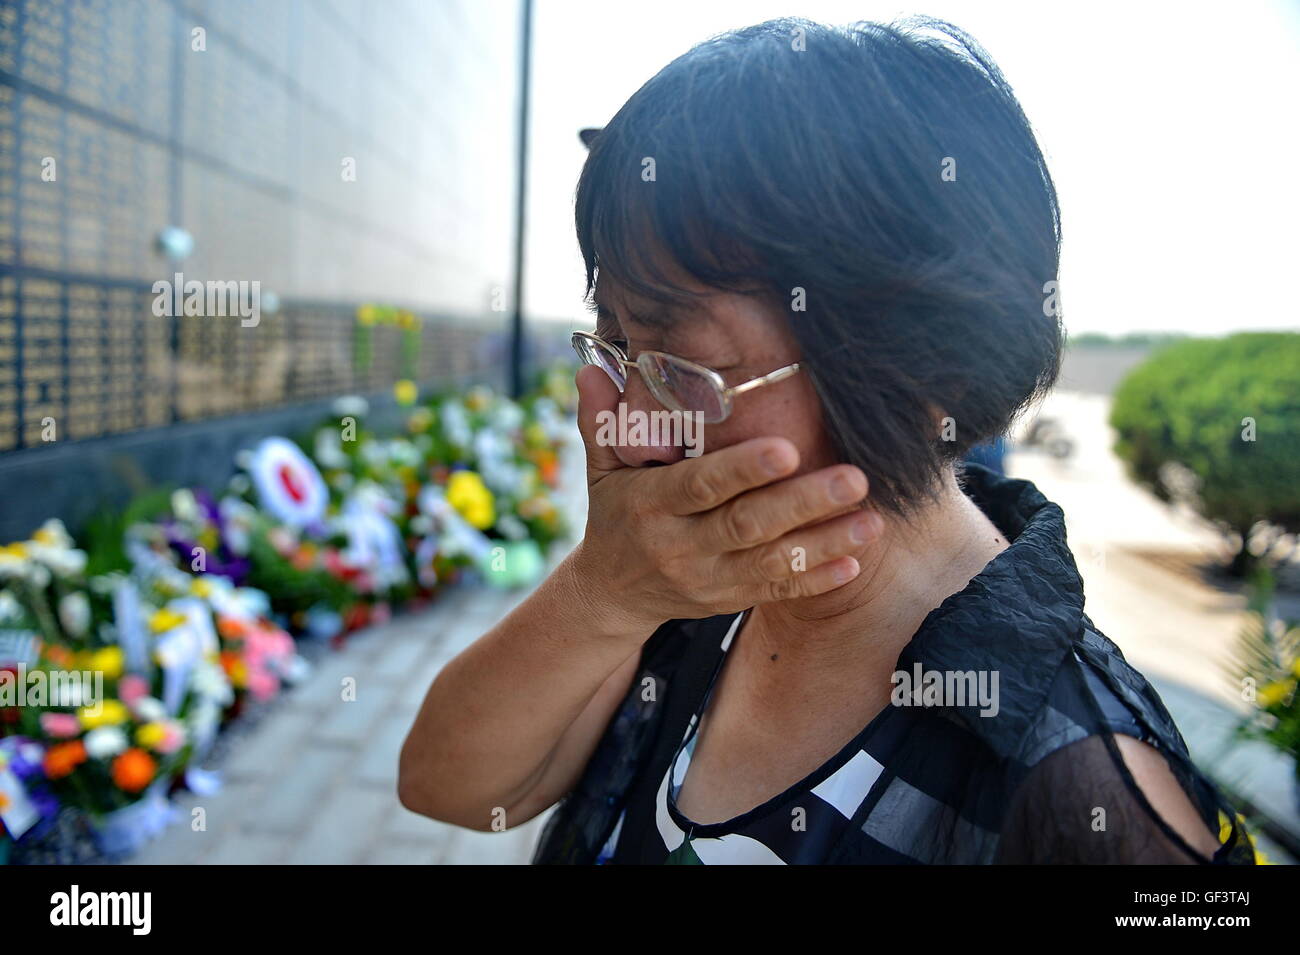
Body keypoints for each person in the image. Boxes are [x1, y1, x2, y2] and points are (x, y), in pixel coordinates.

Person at [399, 16, 1254, 865]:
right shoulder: (688, 591)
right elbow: (451, 785)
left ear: (920, 364)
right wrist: (602, 594)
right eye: (614, 344)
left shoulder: (1080, 790)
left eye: (675, 358)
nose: (618, 412)